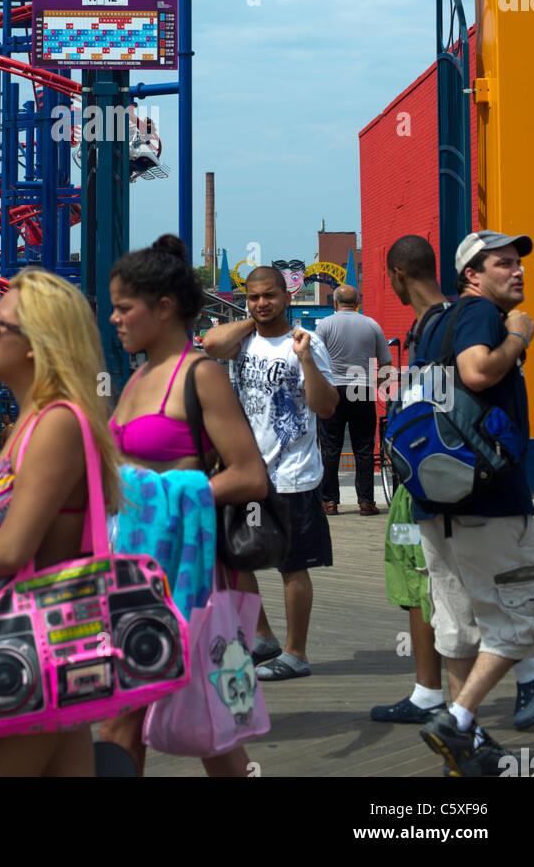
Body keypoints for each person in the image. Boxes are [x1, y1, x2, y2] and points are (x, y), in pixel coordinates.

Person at [97, 235, 269, 777]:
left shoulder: (202, 375)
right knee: (185, 730)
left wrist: (171, 490)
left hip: (183, 579)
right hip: (128, 572)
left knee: (197, 728)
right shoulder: (137, 379)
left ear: (164, 307)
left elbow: (250, 475)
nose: (115, 319)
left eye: (125, 308)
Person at [0, 269, 121, 778]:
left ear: (35, 345)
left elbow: (13, 550)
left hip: (40, 642)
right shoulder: (36, 420)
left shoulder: (56, 424)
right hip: (52, 640)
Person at [412, 231, 534, 775]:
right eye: (503, 263)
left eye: (519, 263)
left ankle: (463, 748)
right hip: (490, 500)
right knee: (523, 619)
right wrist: (519, 337)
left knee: (458, 629)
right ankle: (457, 717)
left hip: (437, 500)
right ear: (473, 275)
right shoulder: (485, 315)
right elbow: (479, 372)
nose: (518, 272)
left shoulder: (432, 323)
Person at [204, 266, 338, 681]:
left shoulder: (306, 342)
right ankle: (263, 636)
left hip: (292, 473)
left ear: (288, 297)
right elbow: (210, 344)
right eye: (255, 297)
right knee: (235, 553)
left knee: (292, 566)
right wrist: (253, 319)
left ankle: (296, 653)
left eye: (270, 297)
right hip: (247, 471)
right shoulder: (243, 338)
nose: (263, 303)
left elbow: (327, 405)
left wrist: (304, 360)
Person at [369, 234, 448, 725]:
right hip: (427, 477)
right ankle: (435, 693)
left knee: (425, 581)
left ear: (397, 276)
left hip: (429, 480)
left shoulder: (436, 326)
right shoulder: (440, 323)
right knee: (428, 581)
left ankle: (432, 694)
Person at [314, 285, 394, 515]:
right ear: (357, 303)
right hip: (363, 389)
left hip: (333, 390)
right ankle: (366, 502)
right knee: (364, 448)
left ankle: (329, 502)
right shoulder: (371, 325)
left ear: (335, 303)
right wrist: (377, 384)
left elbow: (314, 359)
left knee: (329, 447)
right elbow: (386, 363)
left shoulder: (325, 325)